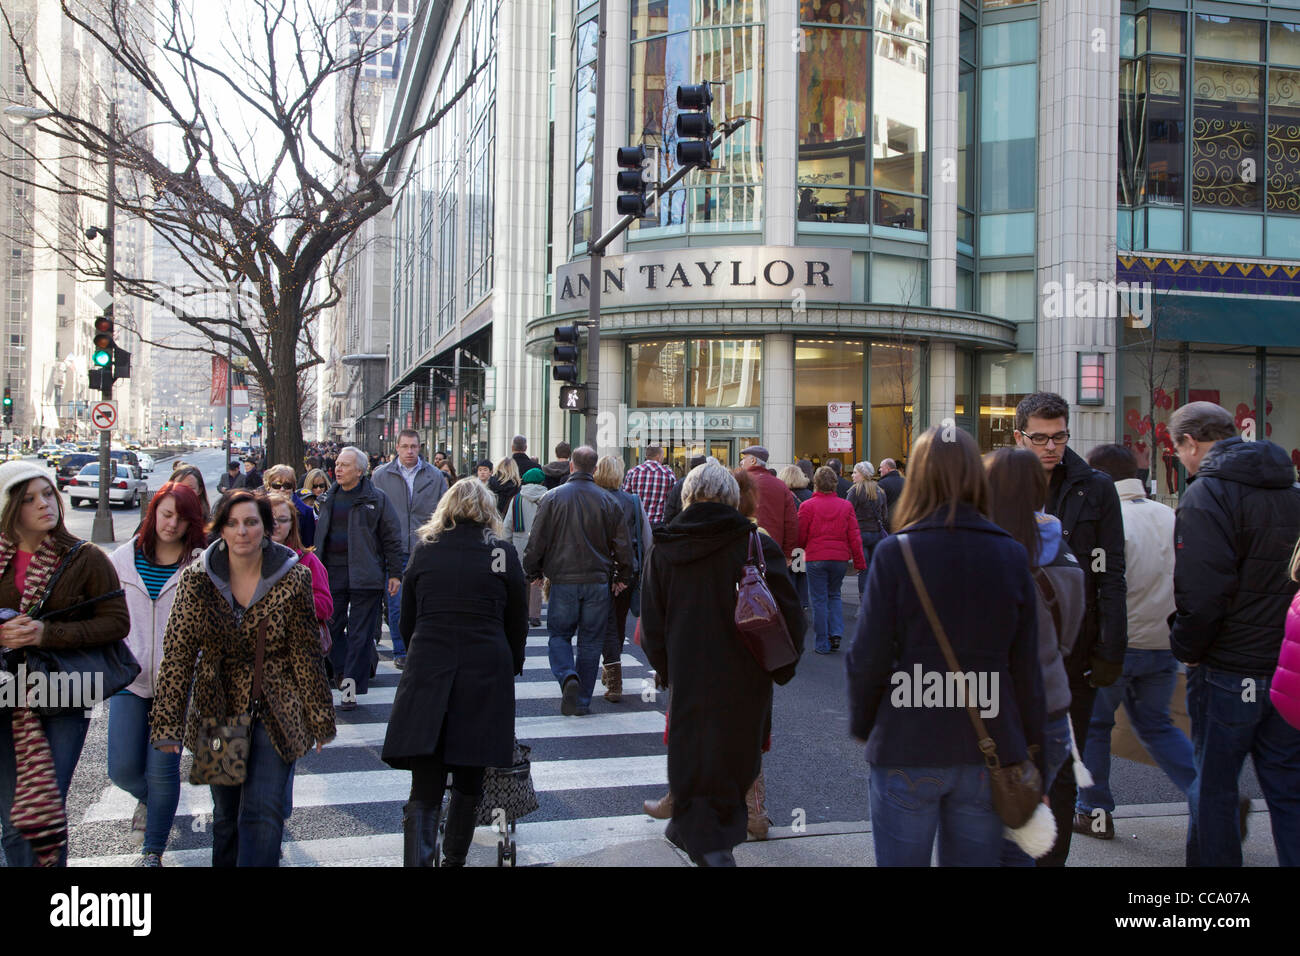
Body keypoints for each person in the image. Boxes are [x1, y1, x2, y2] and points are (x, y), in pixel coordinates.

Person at [846, 427, 1046, 867]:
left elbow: (868, 656)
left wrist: (865, 721)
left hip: (908, 739)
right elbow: (1026, 667)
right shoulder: (1010, 554)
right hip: (988, 742)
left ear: (918, 476)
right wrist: (1032, 747)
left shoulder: (898, 552)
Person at [151, 490, 336, 867]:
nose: (242, 532)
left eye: (251, 522)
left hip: (276, 707)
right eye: (233, 523)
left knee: (263, 812)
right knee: (226, 818)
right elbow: (178, 655)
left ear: (266, 529)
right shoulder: (196, 580)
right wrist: (167, 724)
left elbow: (305, 653)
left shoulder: (294, 578)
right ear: (219, 529)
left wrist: (319, 719)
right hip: (217, 708)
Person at [641, 461, 804, 866]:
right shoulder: (755, 544)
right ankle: (705, 841)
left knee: (694, 776)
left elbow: (652, 628)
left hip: (690, 683)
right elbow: (791, 617)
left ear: (687, 497)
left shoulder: (664, 549)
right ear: (733, 498)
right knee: (731, 779)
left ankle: (709, 850)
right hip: (745, 685)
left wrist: (668, 669)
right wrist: (776, 667)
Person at [1167, 401, 1300, 867]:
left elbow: (1201, 592)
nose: (1180, 461)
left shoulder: (1207, 494)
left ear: (1190, 443)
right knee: (1289, 789)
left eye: (1177, 450)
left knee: (1215, 789)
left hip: (1227, 667)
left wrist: (1188, 649)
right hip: (1286, 665)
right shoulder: (1291, 490)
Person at [381, 479, 527, 866]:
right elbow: (517, 618)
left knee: (426, 780)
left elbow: (408, 619)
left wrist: (419, 650)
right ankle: (453, 861)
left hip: (432, 663)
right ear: (487, 510)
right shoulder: (500, 551)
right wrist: (511, 662)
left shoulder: (426, 550)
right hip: (484, 666)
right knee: (469, 774)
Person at [1014, 391, 1127, 867]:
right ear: (1019, 436)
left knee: (1062, 770)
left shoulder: (1094, 487)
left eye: (1059, 436)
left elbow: (1111, 573)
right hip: (1012, 653)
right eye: (1040, 438)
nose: (1051, 447)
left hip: (1074, 651)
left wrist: (1110, 648)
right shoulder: (998, 483)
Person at [0, 461, 131, 866]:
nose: (45, 504)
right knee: (12, 818)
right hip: (6, 695)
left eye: (48, 494)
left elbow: (116, 623)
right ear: (10, 510)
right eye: (29, 499)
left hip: (62, 693)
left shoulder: (84, 558)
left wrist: (45, 634)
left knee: (43, 814)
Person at [1074, 443, 1195, 841]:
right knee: (1157, 725)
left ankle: (1094, 809)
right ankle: (1207, 793)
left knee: (1095, 726)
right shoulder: (1169, 515)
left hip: (1118, 643)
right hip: (1164, 641)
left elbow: (1101, 587)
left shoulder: (1111, 520)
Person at [984, 447, 1086, 866]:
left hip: (986, 709)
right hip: (1050, 707)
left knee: (980, 831)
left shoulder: (979, 554)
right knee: (1024, 824)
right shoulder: (1066, 555)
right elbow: (1069, 637)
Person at [107, 482, 206, 867]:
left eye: (181, 519)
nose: (171, 524)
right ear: (153, 514)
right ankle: (147, 799)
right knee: (122, 769)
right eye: (166, 514)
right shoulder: (121, 559)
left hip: (177, 684)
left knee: (162, 769)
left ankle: (153, 850)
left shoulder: (199, 563)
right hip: (129, 679)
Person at [522, 446, 633, 717]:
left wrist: (533, 572)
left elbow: (536, 542)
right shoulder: (609, 501)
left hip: (563, 579)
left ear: (571, 466)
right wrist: (623, 576)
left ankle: (567, 675)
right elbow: (623, 545)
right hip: (597, 579)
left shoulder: (552, 498)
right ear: (594, 469)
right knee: (590, 642)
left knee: (559, 635)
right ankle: (582, 700)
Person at [313, 447, 405, 709]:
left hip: (366, 575)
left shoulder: (376, 499)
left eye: (345, 465)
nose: (338, 469)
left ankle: (350, 688)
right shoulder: (328, 498)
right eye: (338, 464)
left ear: (360, 470)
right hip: (332, 573)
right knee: (329, 628)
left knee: (360, 634)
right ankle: (341, 670)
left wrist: (395, 573)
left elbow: (391, 538)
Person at [372, 430, 448, 669]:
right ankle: (401, 649)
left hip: (425, 547)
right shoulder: (381, 475)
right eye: (405, 446)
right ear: (397, 447)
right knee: (397, 603)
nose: (409, 451)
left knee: (425, 601)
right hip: (393, 549)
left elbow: (443, 512)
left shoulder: (435, 476)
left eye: (413, 446)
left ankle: (421, 645)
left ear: (420, 447)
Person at [594, 455, 651, 703]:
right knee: (616, 622)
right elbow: (646, 538)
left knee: (598, 625)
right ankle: (611, 670)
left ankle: (612, 674)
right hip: (627, 570)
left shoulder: (591, 498)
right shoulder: (632, 501)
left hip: (595, 569)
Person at [797, 466, 866, 654]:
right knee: (834, 595)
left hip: (816, 556)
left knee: (819, 599)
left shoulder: (807, 506)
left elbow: (801, 535)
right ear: (835, 483)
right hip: (839, 558)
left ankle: (822, 642)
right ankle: (836, 633)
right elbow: (854, 536)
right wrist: (859, 562)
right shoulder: (845, 506)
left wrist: (800, 549)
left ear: (816, 483)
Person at [739, 445, 799, 558]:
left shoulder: (741, 483)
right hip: (774, 550)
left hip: (744, 549)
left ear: (753, 460)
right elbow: (791, 523)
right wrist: (788, 554)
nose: (741, 462)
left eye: (744, 458)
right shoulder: (781, 486)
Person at [510, 468, 549, 628]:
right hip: (542, 544)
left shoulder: (517, 499)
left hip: (520, 543)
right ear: (542, 481)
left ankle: (522, 612)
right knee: (537, 579)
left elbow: (507, 526)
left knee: (522, 578)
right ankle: (534, 615)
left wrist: (506, 545)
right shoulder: (549, 497)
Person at [845, 461, 888, 598]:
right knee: (874, 568)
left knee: (863, 568)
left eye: (855, 472)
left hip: (860, 534)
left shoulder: (854, 491)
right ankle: (876, 596)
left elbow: (847, 513)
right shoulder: (879, 491)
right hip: (876, 533)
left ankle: (864, 600)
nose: (853, 475)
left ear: (862, 474)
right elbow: (884, 515)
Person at [779, 464, 813, 611]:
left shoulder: (782, 495)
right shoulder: (809, 495)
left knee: (789, 573)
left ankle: (791, 604)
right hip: (804, 541)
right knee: (801, 573)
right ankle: (803, 603)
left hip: (788, 539)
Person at [622, 445, 677, 526]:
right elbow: (673, 500)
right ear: (658, 456)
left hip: (637, 522)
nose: (663, 458)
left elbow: (625, 498)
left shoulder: (632, 472)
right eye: (662, 456)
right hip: (659, 523)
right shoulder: (668, 474)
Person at [262, 464, 315, 548]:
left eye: (287, 486)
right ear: (269, 487)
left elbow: (308, 545)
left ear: (293, 488)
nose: (282, 489)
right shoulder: (259, 509)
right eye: (277, 485)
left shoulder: (306, 512)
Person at [661, 454, 705, 527]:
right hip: (703, 528)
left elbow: (670, 509)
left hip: (682, 527)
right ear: (705, 467)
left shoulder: (680, 483)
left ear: (691, 467)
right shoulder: (710, 484)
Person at [877, 458, 904, 526]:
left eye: (881, 467)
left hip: (888, 523)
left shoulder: (882, 484)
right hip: (903, 519)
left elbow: (879, 505)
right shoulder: (906, 482)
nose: (879, 470)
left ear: (888, 469)